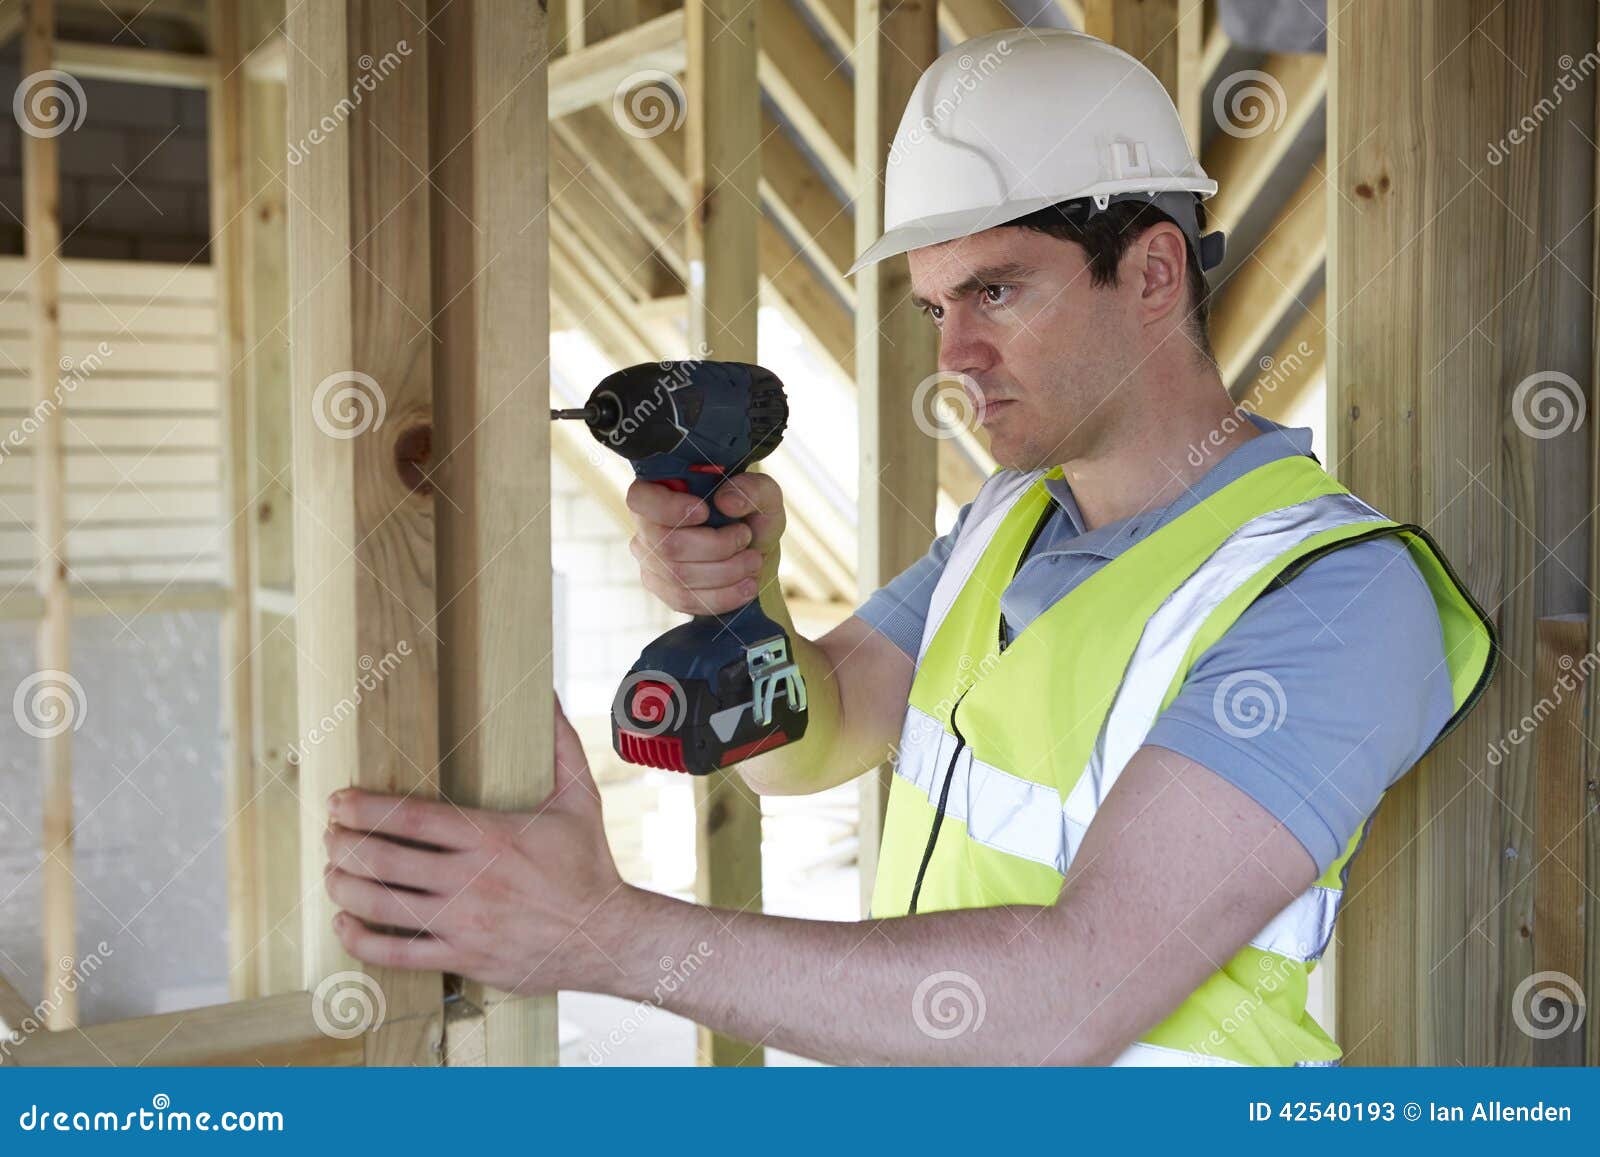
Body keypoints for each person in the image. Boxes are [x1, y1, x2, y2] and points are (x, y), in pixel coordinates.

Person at [321, 28, 1496, 1065]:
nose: (952, 359)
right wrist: (747, 592)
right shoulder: (1011, 520)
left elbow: (1070, 999)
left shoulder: (1336, 593)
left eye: (997, 290)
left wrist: (601, 932)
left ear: (1150, 270)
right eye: (938, 307)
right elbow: (804, 746)